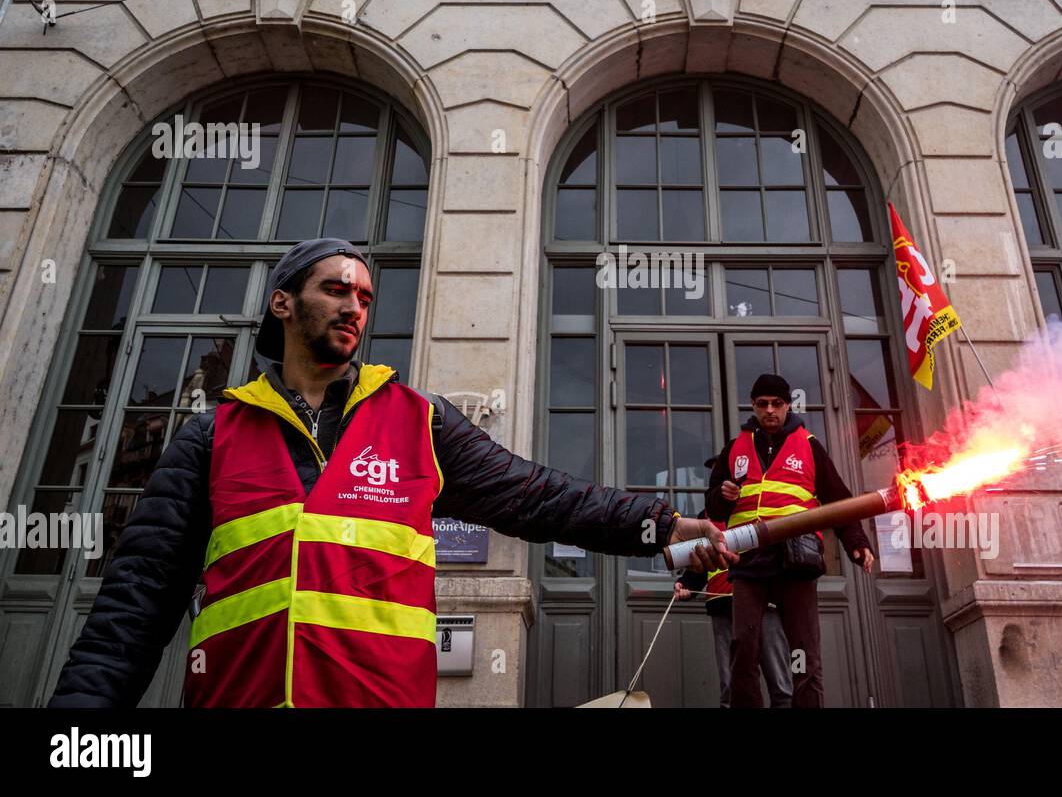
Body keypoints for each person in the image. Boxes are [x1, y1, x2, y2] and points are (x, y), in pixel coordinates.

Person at [49, 238, 734, 708]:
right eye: (335, 290)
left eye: (366, 297)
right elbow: (133, 606)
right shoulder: (212, 437)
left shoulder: (418, 420)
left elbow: (538, 497)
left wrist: (664, 523)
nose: (355, 307)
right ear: (283, 303)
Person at [706, 373, 874, 709]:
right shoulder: (735, 447)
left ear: (787, 406)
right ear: (753, 406)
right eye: (762, 404)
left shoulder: (809, 444)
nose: (769, 410)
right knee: (743, 650)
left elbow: (837, 499)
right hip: (749, 564)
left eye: (777, 404)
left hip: (797, 562)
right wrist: (722, 496)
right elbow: (712, 506)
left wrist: (856, 541)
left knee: (802, 653)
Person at [674, 499, 792, 708]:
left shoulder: (758, 504)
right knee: (730, 686)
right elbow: (701, 564)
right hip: (722, 607)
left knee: (780, 684)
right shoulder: (705, 517)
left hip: (764, 605)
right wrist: (685, 584)